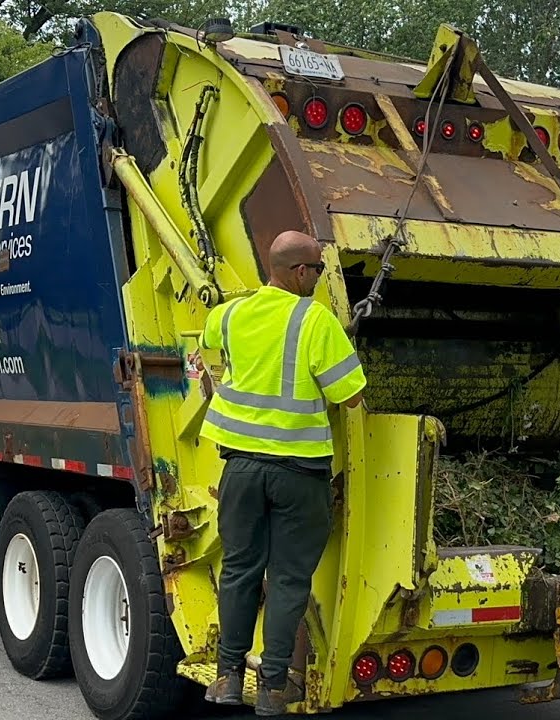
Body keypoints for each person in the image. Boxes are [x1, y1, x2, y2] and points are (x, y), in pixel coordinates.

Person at [198, 230, 366, 716]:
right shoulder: (316, 321)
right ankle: (272, 688)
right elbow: (350, 396)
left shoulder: (228, 315)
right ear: (298, 272)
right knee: (289, 579)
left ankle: (227, 678)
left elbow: (207, 349)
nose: (318, 277)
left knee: (238, 571)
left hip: (242, 471)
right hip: (298, 475)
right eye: (316, 269)